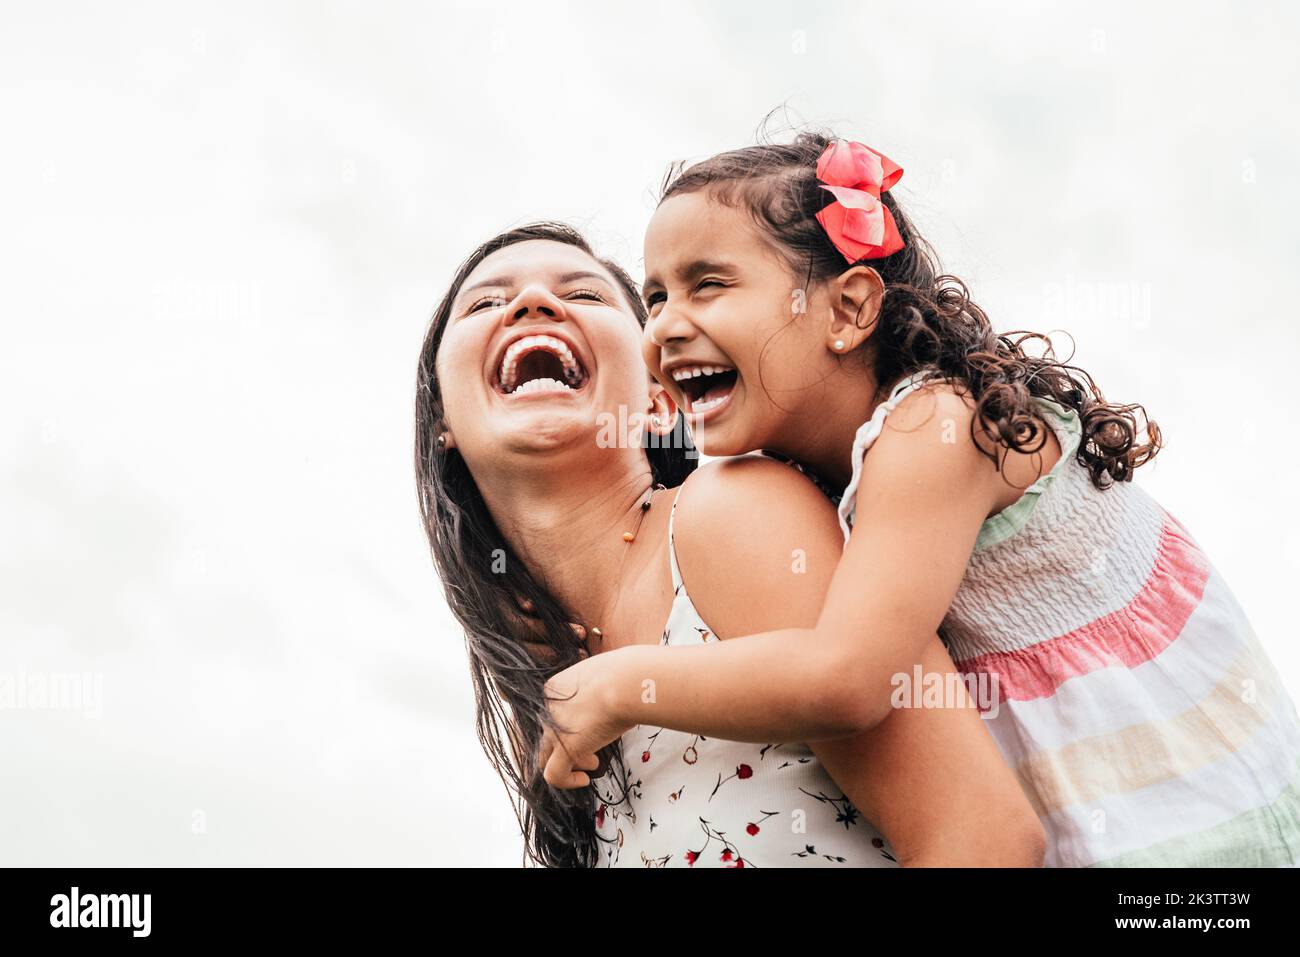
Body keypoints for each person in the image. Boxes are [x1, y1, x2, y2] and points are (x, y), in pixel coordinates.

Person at [537, 133, 1300, 867]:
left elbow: (846, 681)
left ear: (847, 309)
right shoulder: (840, 475)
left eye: (709, 283)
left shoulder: (930, 428)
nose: (664, 327)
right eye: (656, 295)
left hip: (1188, 816)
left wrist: (622, 683)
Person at [415, 221, 1044, 867]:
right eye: (487, 302)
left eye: (585, 295)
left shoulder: (725, 514)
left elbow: (982, 838)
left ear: (660, 401)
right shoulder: (556, 690)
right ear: (442, 422)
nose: (533, 304)